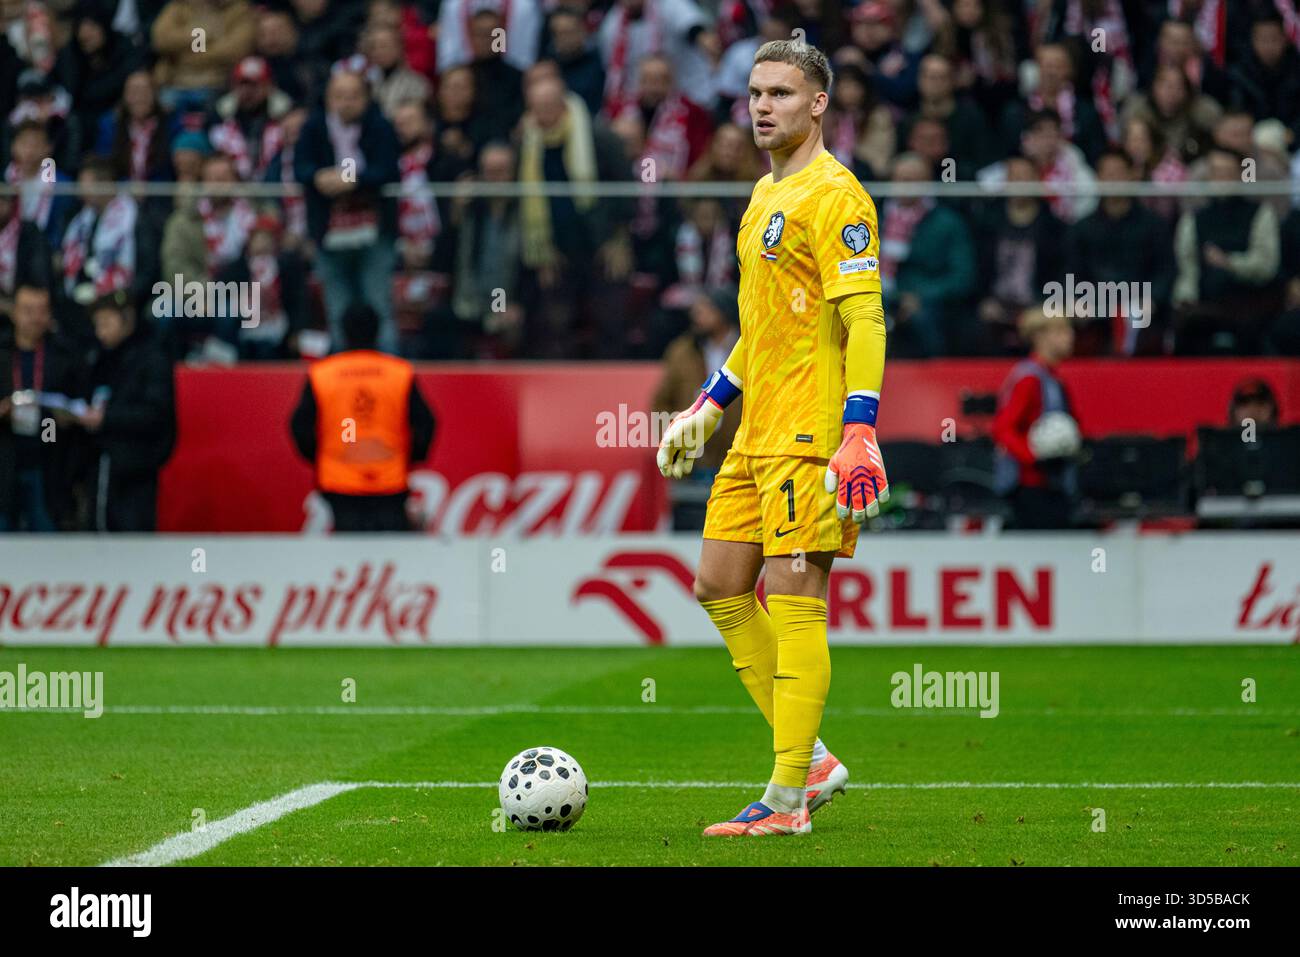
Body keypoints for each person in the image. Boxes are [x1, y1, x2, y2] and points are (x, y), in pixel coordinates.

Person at [655, 40, 888, 837]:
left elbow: (864, 317)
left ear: (818, 104)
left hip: (811, 432)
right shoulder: (762, 194)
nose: (762, 107)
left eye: (782, 93)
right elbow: (759, 329)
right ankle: (814, 759)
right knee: (719, 582)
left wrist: (859, 429)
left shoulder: (838, 197)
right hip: (754, 432)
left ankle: (788, 798)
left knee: (795, 597)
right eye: (755, 92)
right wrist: (709, 406)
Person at [290, 304, 435, 532]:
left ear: (343, 331)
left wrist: (321, 459)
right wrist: (410, 457)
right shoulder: (399, 372)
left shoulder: (322, 373)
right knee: (392, 556)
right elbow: (426, 423)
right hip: (389, 480)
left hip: (339, 480)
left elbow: (299, 427)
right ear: (379, 330)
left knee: (347, 556)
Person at [78, 292, 177, 532]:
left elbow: (156, 414)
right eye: (97, 324)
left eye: (106, 323)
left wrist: (107, 419)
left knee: (134, 546)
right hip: (102, 463)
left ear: (127, 320)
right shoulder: (99, 358)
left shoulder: (152, 359)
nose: (100, 331)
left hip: (136, 467)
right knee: (99, 541)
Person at [0, 284, 84, 531]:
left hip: (48, 454)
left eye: (41, 311)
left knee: (47, 540)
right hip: (6, 457)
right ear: (13, 312)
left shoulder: (64, 355)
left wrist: (63, 416)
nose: (35, 318)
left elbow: (79, 403)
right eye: (28, 310)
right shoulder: (3, 353)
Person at [992, 306, 1079, 531]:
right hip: (1032, 487)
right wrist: (1033, 456)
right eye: (1061, 331)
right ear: (1040, 337)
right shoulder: (1028, 378)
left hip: (1053, 482)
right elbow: (1003, 428)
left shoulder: (1053, 378)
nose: (1070, 337)